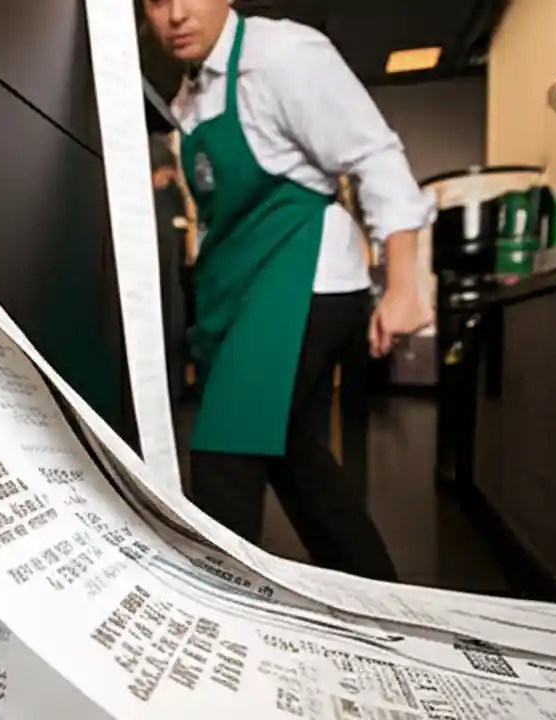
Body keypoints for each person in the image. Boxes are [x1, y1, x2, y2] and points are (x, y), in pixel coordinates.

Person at [143, 0, 433, 580]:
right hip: (247, 285)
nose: (175, 14)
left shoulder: (283, 55)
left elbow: (375, 155)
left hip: (304, 277)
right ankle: (376, 594)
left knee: (226, 452)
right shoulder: (191, 96)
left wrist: (404, 283)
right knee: (293, 455)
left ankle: (224, 617)